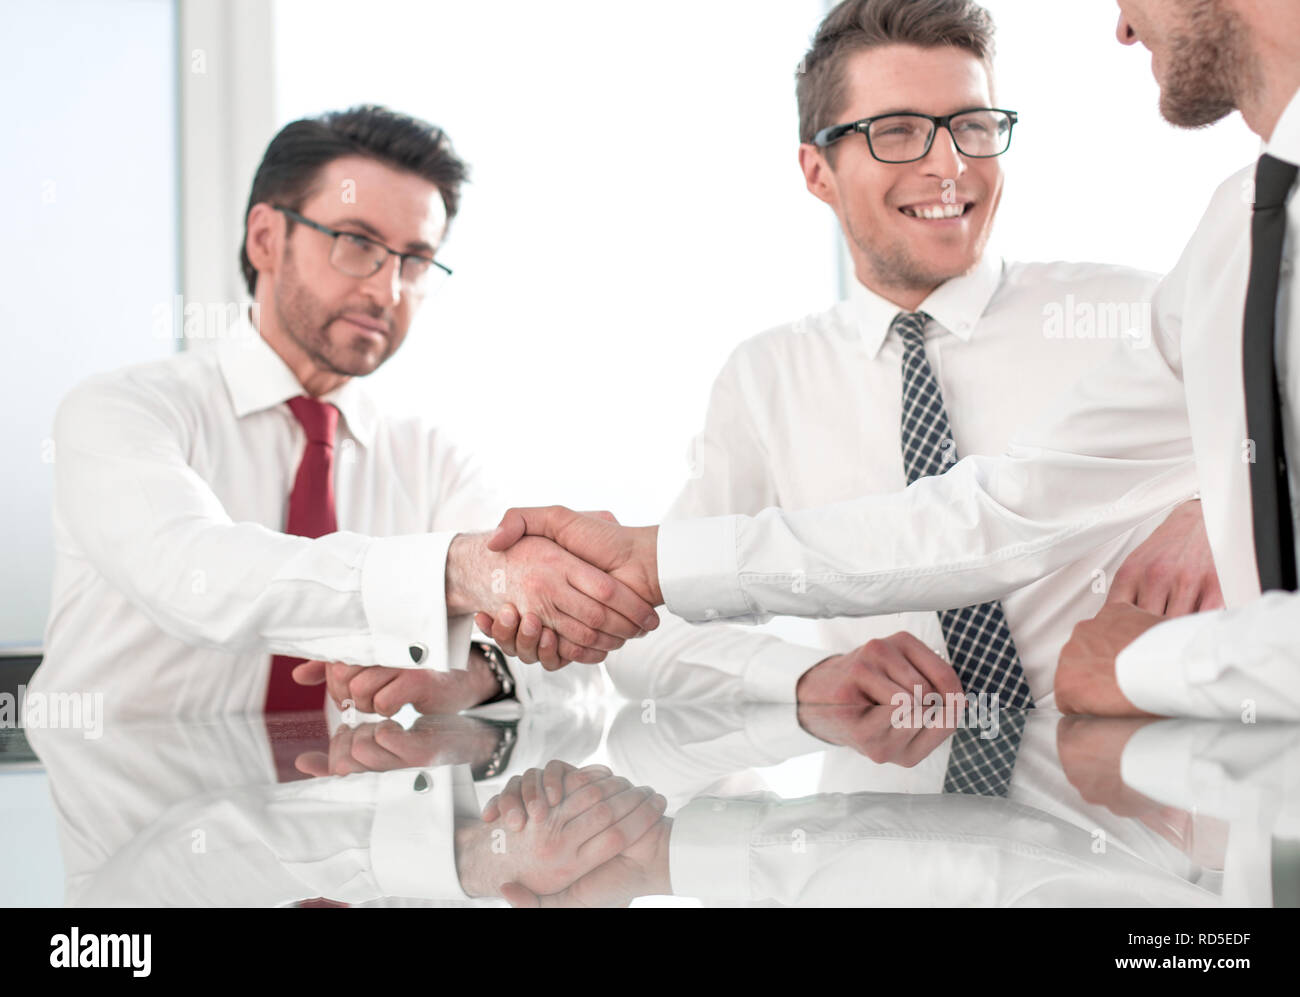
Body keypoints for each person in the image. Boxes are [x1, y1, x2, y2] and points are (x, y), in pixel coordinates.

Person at [484, 0, 1300, 721]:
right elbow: (991, 516)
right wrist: (792, 664)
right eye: (898, 132)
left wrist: (1210, 499)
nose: (947, 166)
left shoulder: (1139, 308)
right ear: (818, 171)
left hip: (1138, 820)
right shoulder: (767, 379)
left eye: (972, 126)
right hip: (887, 827)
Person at [32, 105, 659, 720]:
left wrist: (472, 674)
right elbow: (194, 576)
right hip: (133, 808)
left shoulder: (429, 459)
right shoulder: (122, 412)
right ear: (265, 238)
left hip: (337, 810)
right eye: (358, 242)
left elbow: (580, 668)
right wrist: (455, 570)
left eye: (414, 260)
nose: (386, 290)